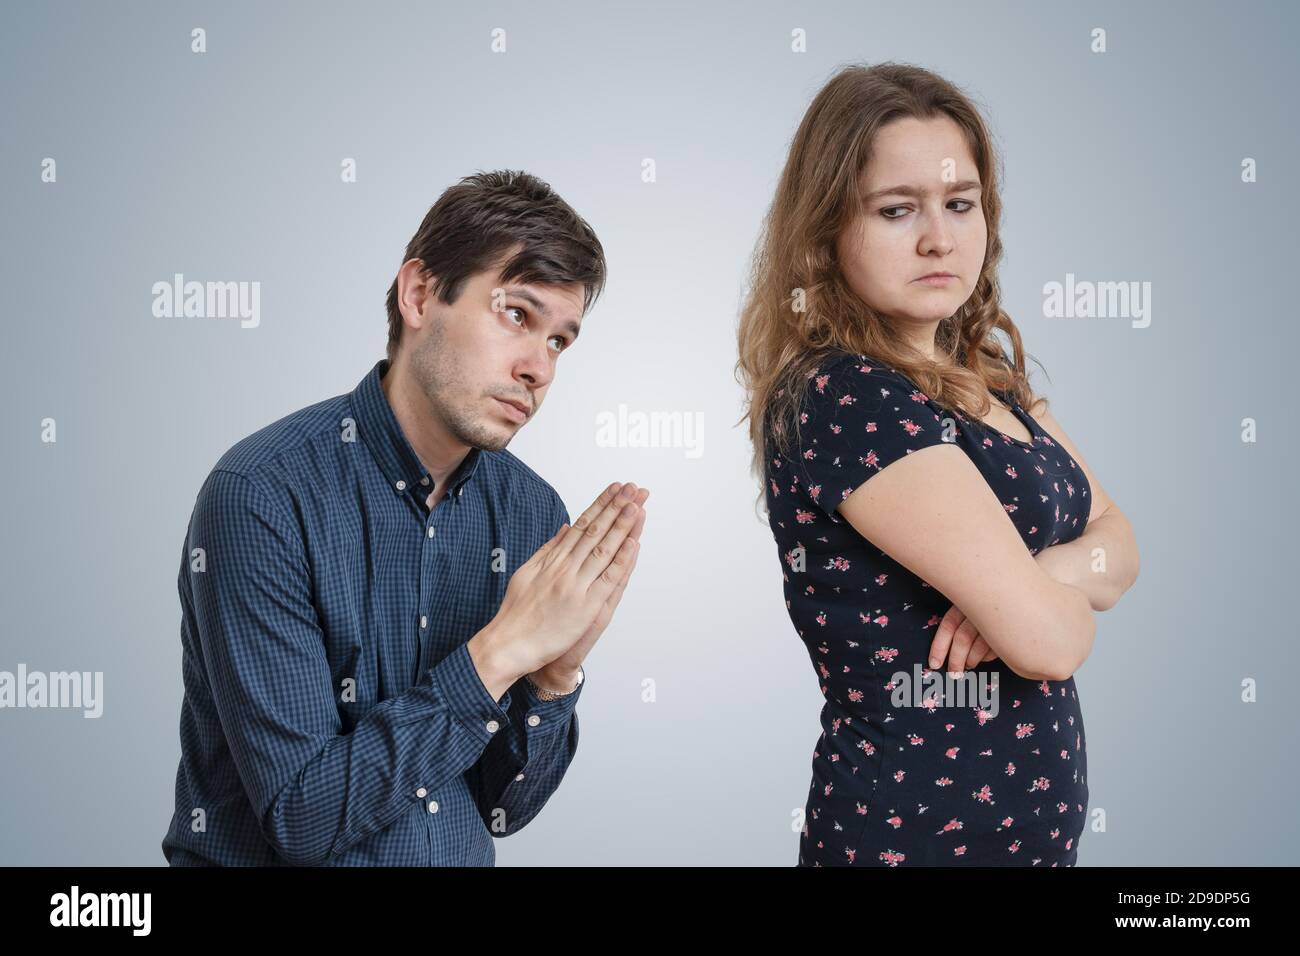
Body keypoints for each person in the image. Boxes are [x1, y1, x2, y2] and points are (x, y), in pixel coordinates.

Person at [162, 170, 649, 866]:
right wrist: (503, 650)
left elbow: (503, 809)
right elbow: (303, 817)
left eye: (558, 341)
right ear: (419, 294)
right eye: (517, 315)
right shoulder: (262, 495)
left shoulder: (533, 513)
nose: (539, 367)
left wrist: (554, 676)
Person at [736, 64, 1139, 866]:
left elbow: (1120, 547)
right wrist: (1033, 603)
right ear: (824, 234)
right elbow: (1050, 646)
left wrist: (1038, 576)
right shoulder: (847, 396)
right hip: (909, 841)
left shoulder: (987, 375)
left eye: (960, 204)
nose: (939, 238)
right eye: (896, 210)